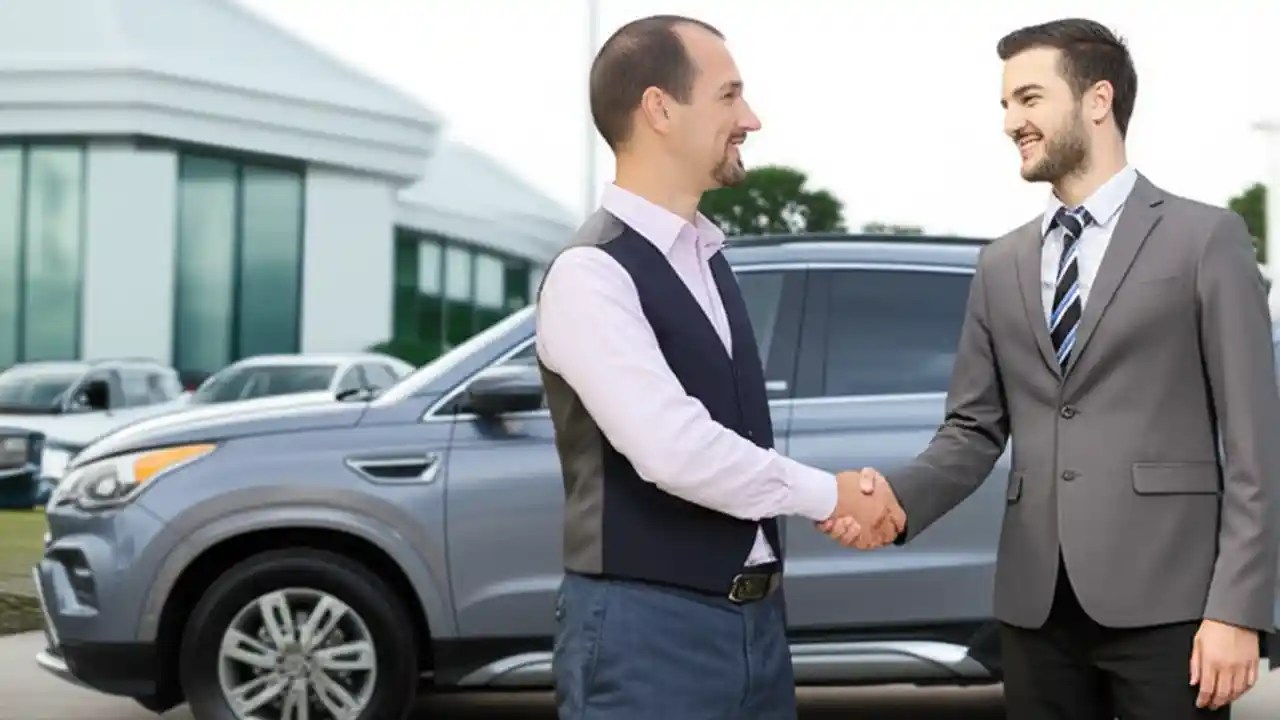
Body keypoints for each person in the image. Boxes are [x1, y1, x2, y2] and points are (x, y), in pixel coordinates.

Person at [823, 17, 1279, 719]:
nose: (1011, 122)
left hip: (1172, 607)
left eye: (1029, 99)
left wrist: (1238, 608)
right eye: (1006, 104)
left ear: (1098, 101)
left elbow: (1256, 442)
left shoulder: (1205, 238)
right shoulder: (1001, 262)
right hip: (1037, 611)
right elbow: (972, 428)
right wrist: (898, 500)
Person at [534, 14, 901, 719]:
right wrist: (830, 494)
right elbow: (672, 448)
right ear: (659, 110)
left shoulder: (705, 256)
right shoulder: (591, 273)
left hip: (755, 631)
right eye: (729, 96)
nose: (751, 119)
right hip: (648, 640)